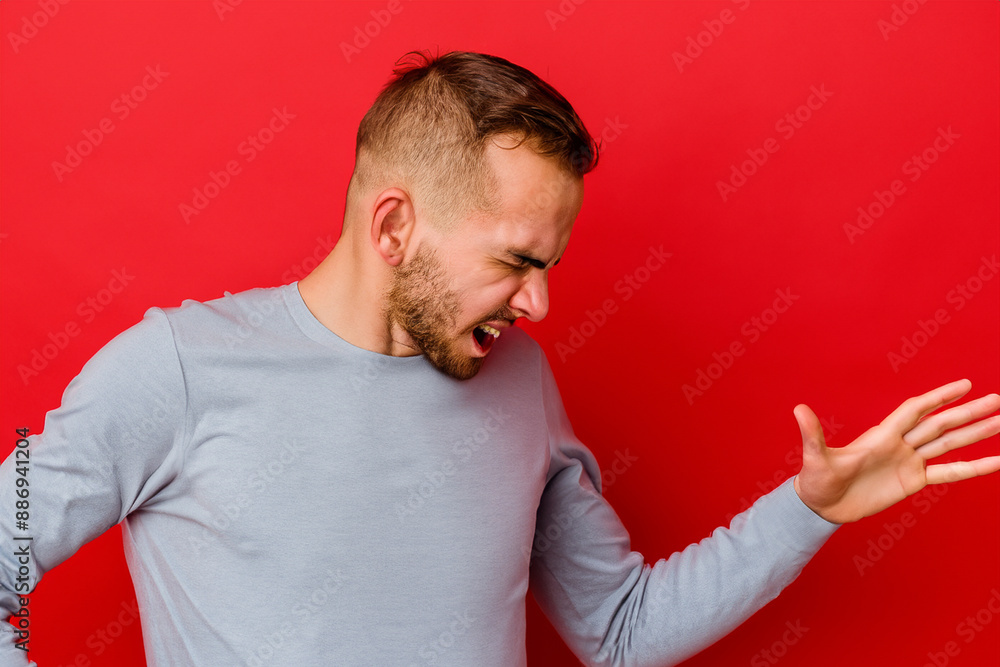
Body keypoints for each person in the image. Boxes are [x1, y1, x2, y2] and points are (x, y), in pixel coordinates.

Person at [1, 49, 998, 667]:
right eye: (517, 262)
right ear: (394, 225)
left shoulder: (519, 381)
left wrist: (809, 509)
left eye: (550, 265)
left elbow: (621, 628)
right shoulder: (176, 367)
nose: (540, 303)